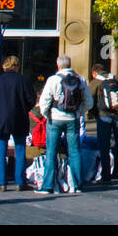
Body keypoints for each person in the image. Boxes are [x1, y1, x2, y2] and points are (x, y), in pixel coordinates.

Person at [36, 54, 92, 194]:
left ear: (58, 65)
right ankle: (77, 185)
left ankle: (48, 185)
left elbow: (44, 102)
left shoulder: (53, 80)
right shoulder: (81, 80)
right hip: (73, 119)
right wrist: (78, 112)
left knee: (51, 152)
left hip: (55, 119)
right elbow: (89, 102)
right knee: (74, 151)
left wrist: (47, 114)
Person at [0, 55, 37, 191]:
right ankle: (20, 182)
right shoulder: (23, 80)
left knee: (1, 150)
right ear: (17, 66)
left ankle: (1, 182)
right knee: (20, 149)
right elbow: (31, 100)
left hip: (1, 119)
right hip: (19, 117)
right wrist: (24, 108)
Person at [89, 63, 118, 184]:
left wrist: (95, 114)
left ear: (94, 73)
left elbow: (89, 100)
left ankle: (106, 176)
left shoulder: (95, 82)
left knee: (104, 147)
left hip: (103, 117)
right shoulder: (117, 78)